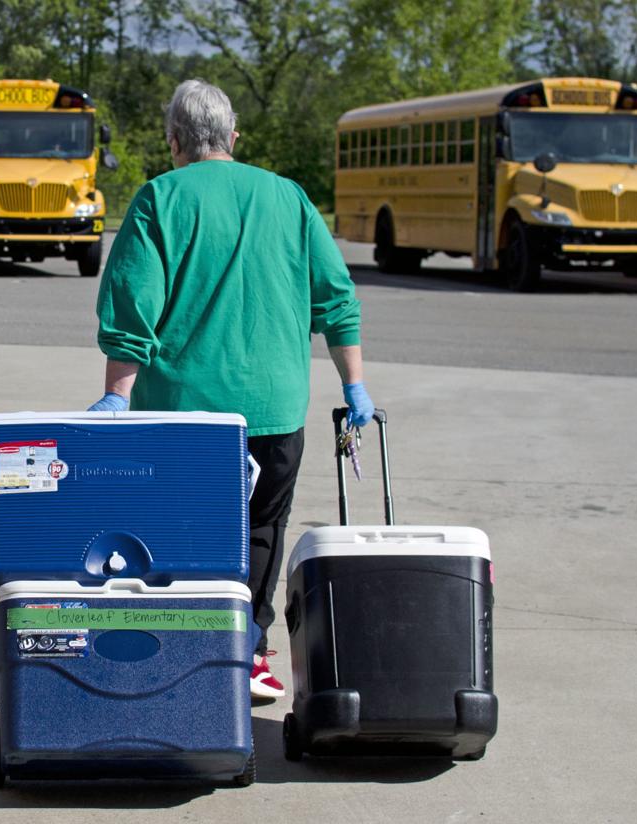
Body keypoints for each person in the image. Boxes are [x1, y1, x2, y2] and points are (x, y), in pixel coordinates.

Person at [88, 79, 374, 699]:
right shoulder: (290, 198)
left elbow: (133, 307)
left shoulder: (160, 199)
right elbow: (337, 300)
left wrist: (116, 395)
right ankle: (250, 650)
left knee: (173, 531)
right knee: (261, 529)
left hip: (180, 416)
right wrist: (355, 386)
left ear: (173, 142)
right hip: (273, 410)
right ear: (234, 138)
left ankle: (180, 652)